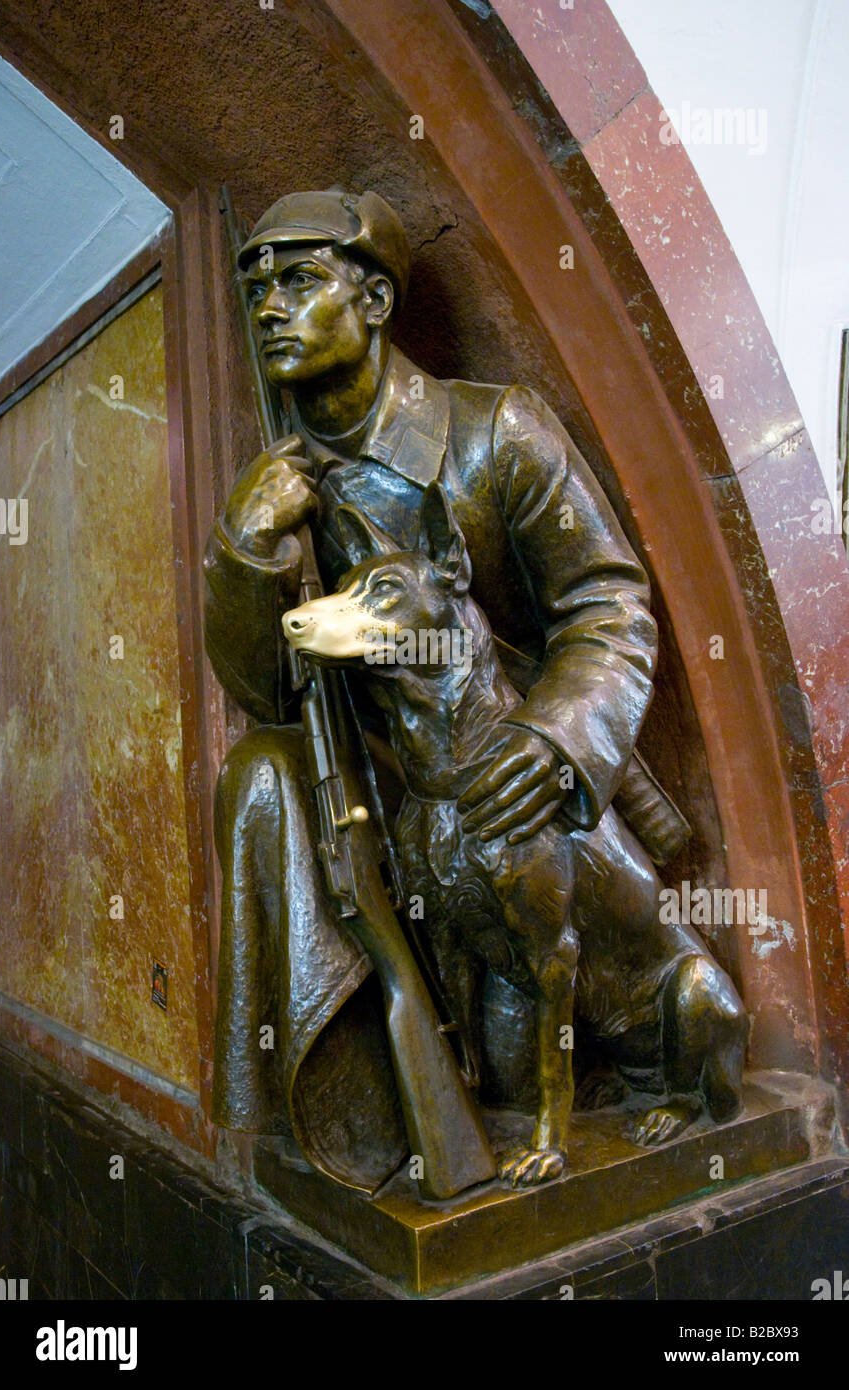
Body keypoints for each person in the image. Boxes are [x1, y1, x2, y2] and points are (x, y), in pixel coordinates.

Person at [204, 187, 690, 1192]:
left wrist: (555, 740)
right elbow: (262, 687)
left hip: (498, 767)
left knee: (530, 1044)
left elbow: (608, 606)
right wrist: (246, 548)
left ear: (375, 301)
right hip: (378, 782)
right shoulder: (274, 482)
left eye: (299, 280)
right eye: (253, 287)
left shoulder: (493, 432)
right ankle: (347, 1110)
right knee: (257, 775)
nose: (266, 306)